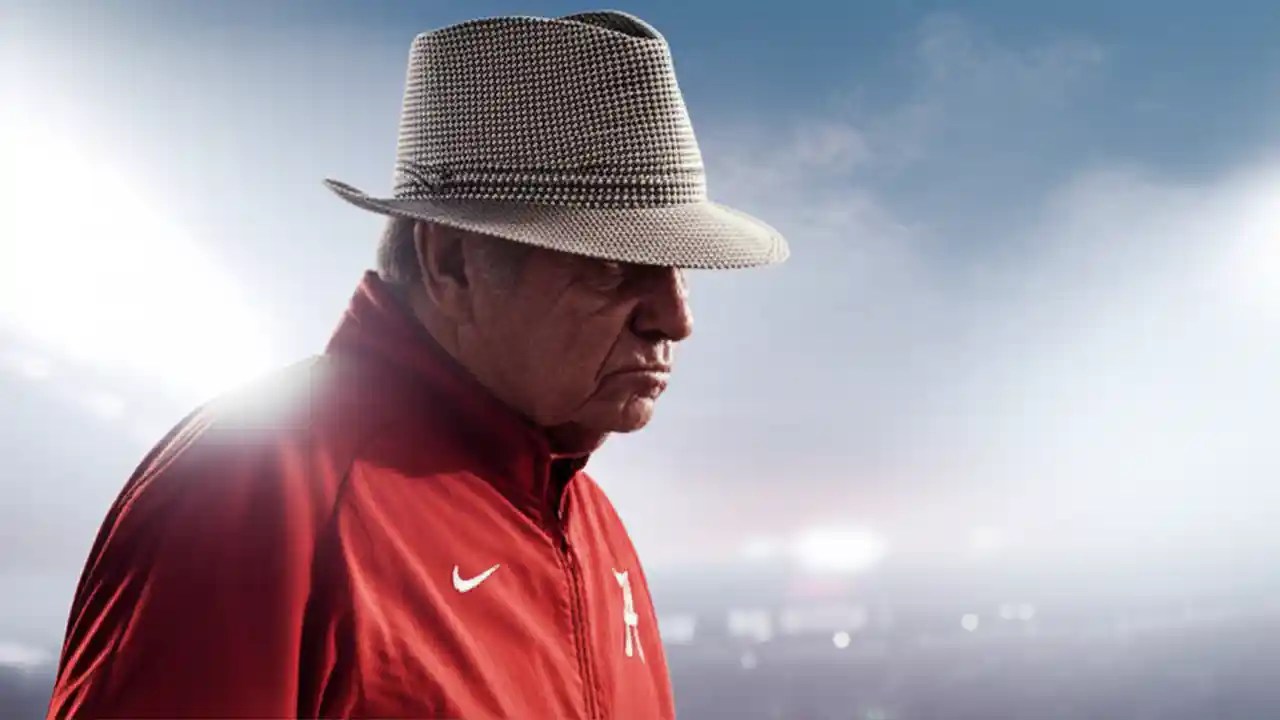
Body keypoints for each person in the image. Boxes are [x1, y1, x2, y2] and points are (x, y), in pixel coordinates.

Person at [46, 9, 788, 719]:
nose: (676, 319)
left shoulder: (594, 531)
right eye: (614, 265)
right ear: (452, 262)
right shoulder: (252, 489)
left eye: (678, 269)